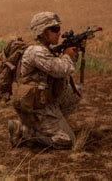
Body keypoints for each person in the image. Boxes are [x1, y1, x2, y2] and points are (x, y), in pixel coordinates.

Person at [8, 11, 84, 149]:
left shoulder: (46, 49)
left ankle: (51, 125)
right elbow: (61, 69)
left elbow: (61, 74)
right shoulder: (36, 52)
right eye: (54, 29)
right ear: (42, 31)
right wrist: (67, 55)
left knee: (75, 92)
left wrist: (74, 52)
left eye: (59, 29)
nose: (59, 33)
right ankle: (24, 131)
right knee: (68, 141)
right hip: (34, 107)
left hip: (42, 100)